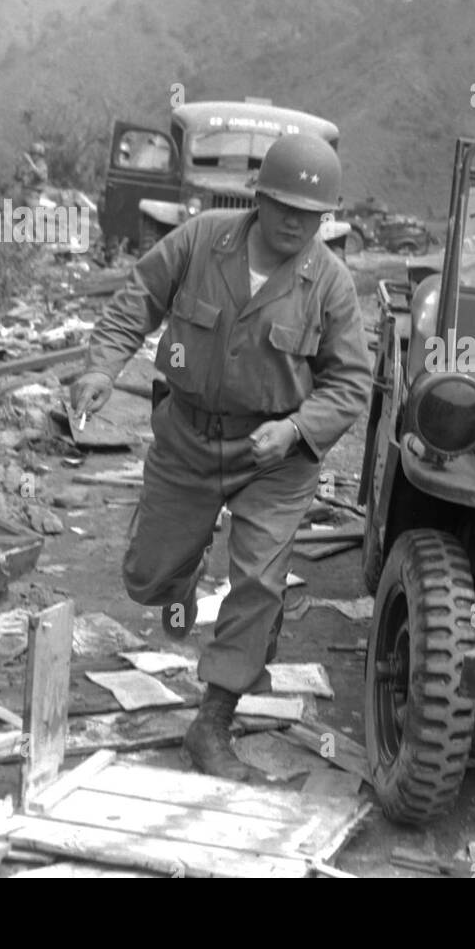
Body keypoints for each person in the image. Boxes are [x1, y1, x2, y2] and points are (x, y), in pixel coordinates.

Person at [69, 133, 372, 780]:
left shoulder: (331, 285)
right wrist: (100, 369)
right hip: (186, 435)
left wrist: (294, 431)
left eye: (311, 214)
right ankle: (179, 563)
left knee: (261, 582)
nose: (296, 223)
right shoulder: (201, 239)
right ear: (259, 199)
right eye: (284, 206)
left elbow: (351, 384)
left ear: (327, 219)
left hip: (275, 457)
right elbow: (135, 302)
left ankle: (212, 722)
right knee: (146, 577)